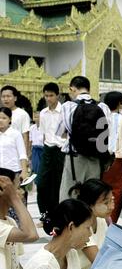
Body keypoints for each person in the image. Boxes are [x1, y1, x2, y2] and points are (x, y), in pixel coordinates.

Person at [56, 76, 107, 201]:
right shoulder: (102, 107)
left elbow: (59, 132)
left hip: (75, 158)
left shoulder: (68, 106)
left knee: (70, 195)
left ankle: (71, 220)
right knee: (93, 196)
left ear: (72, 89)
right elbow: (107, 135)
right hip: (95, 158)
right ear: (88, 89)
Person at [69, 179, 113, 269]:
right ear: (90, 204)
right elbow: (99, 261)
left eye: (112, 200)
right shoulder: (80, 225)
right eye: (106, 203)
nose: (111, 207)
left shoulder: (101, 220)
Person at [36, 83, 65, 221]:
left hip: (61, 150)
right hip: (47, 149)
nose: (48, 98)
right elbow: (42, 133)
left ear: (58, 95)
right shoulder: (43, 113)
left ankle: (56, 215)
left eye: (51, 95)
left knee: (57, 184)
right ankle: (44, 215)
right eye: (46, 95)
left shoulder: (65, 111)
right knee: (41, 183)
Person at [102, 92, 122, 223]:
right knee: (116, 192)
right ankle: (112, 220)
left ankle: (102, 218)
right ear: (118, 103)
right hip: (118, 158)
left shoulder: (101, 117)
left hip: (103, 158)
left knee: (102, 190)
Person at [1, 85, 31, 156]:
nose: (5, 99)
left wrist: (25, 156)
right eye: (3, 96)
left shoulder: (22, 114)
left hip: (15, 153)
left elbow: (25, 136)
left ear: (15, 98)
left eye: (8, 96)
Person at [0, 107, 28, 182]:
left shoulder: (16, 134)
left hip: (14, 172)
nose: (1, 120)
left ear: (10, 119)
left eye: (4, 118)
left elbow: (22, 154)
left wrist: (24, 171)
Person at [29, 111, 44, 179]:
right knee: (35, 167)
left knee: (42, 168)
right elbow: (30, 140)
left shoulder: (44, 127)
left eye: (37, 116)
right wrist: (29, 152)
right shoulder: (32, 127)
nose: (35, 117)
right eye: (34, 116)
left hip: (42, 150)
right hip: (35, 150)